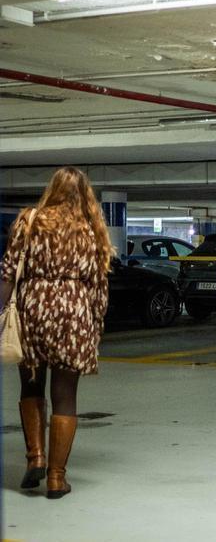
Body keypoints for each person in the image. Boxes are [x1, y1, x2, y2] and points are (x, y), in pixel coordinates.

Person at [1, 167, 111, 499]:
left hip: (33, 308)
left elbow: (8, 272)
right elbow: (98, 286)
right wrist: (94, 324)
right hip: (73, 313)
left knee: (31, 383)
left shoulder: (29, 221)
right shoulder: (90, 230)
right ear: (84, 194)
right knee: (65, 394)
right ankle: (55, 478)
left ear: (52, 189)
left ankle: (35, 456)